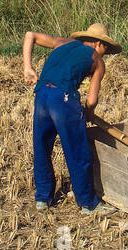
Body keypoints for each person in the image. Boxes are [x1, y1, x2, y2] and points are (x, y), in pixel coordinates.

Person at [23, 22, 121, 215]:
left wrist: (28, 67)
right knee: (78, 152)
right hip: (64, 100)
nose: (105, 53)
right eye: (106, 48)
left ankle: (43, 198)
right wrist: (89, 114)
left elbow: (30, 35)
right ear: (99, 44)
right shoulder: (97, 60)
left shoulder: (62, 42)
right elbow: (92, 100)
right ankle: (88, 204)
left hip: (42, 95)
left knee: (42, 147)